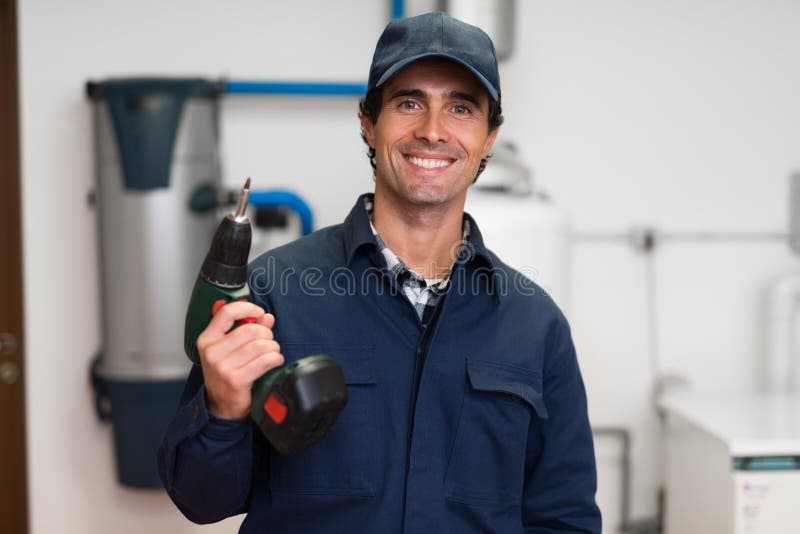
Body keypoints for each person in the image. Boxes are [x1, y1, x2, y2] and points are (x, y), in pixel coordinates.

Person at [159, 12, 601, 533]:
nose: (432, 130)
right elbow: (201, 500)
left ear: (489, 136)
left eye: (461, 107)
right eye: (409, 102)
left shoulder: (536, 326)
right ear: (369, 121)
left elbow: (564, 520)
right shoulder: (273, 295)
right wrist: (224, 407)